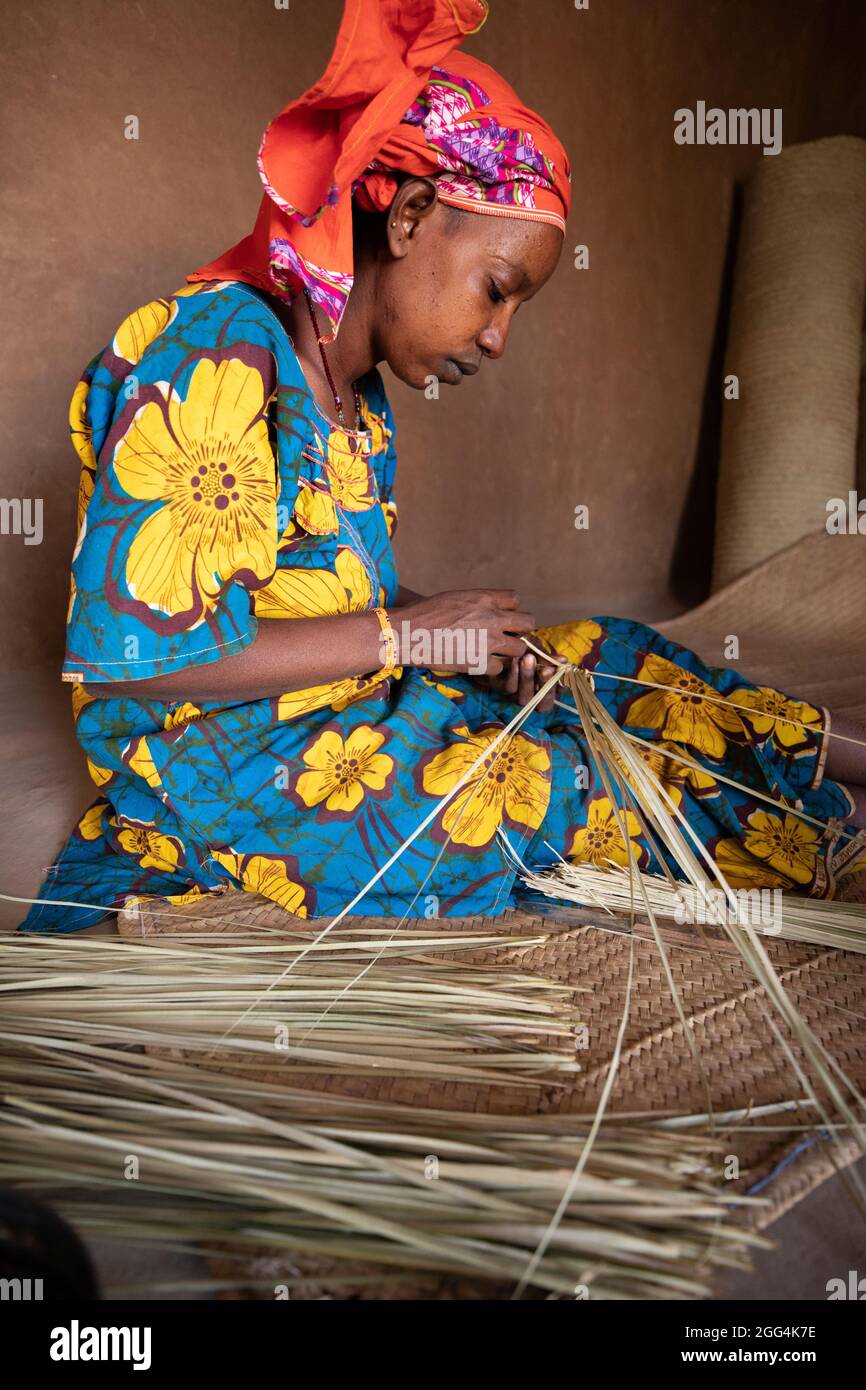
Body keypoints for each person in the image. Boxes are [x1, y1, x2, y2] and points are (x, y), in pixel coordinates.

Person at [21, 0, 866, 932]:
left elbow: (320, 585)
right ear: (413, 216)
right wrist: (413, 636)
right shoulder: (218, 352)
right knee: (547, 781)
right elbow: (134, 663)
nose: (499, 339)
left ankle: (839, 761)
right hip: (218, 767)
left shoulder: (359, 396)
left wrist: (458, 634)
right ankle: (825, 832)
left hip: (334, 705)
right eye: (496, 291)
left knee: (610, 662)